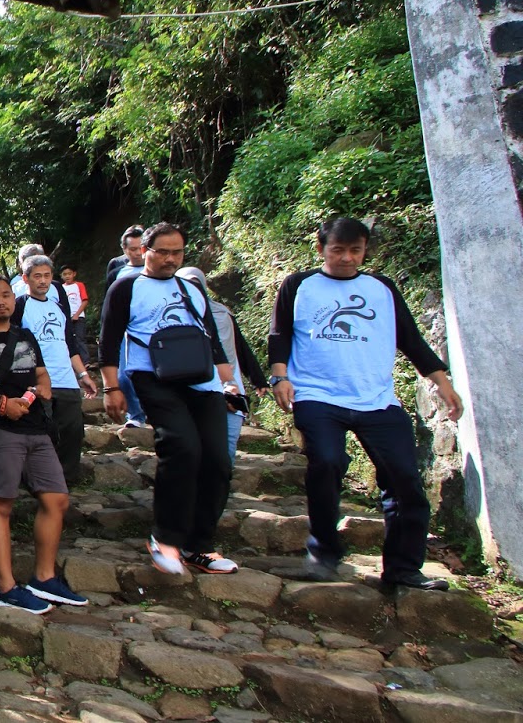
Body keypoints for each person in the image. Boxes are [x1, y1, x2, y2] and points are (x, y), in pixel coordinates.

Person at [268, 217, 464, 591]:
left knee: (404, 479)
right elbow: (280, 334)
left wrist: (442, 382)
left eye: (354, 250)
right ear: (321, 248)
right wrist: (281, 377)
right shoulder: (299, 285)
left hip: (376, 398)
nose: (345, 258)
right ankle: (324, 551)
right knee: (326, 462)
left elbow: (410, 337)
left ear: (364, 250)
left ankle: (403, 569)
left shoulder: (381, 288)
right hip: (316, 393)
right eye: (337, 250)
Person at [100, 223, 241, 576]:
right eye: (162, 251)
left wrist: (229, 385)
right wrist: (112, 387)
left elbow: (212, 340)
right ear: (144, 250)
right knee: (182, 447)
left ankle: (199, 546)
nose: (170, 258)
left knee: (217, 460)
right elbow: (109, 338)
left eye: (177, 252)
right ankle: (165, 539)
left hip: (203, 380)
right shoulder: (127, 287)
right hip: (154, 376)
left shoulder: (191, 287)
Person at [0, 273, 88, 614]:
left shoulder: (25, 335)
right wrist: (0, 404)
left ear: (14, 299)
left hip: (35, 428)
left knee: (56, 498)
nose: (2, 301)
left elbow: (40, 372)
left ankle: (44, 578)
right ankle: (6, 587)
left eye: (6, 296)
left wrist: (43, 387)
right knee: (2, 503)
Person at [15, 256, 99, 483]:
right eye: (37, 276)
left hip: (67, 380)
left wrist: (83, 375)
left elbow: (69, 346)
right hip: (38, 381)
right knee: (42, 433)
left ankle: (65, 484)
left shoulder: (59, 308)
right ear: (26, 279)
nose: (43, 281)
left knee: (72, 433)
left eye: (47, 276)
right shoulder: (20, 306)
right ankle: (38, 483)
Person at [177, 266, 268, 461]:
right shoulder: (173, 316)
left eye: (197, 284)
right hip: (189, 390)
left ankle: (219, 486)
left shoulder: (222, 314)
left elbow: (240, 348)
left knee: (227, 448)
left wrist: (258, 380)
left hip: (230, 388)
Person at [104, 226, 149, 427]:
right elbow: (109, 304)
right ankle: (136, 415)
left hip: (152, 329)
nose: (138, 253)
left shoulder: (156, 270)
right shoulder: (117, 273)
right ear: (124, 249)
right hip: (124, 330)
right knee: (123, 376)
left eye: (141, 247)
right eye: (132, 249)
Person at [60, 264, 92, 364]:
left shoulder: (79, 285)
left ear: (74, 274)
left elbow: (85, 300)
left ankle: (86, 362)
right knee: (67, 339)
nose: (67, 276)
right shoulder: (60, 288)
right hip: (65, 318)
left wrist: (77, 314)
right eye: (64, 274)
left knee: (80, 339)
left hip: (79, 316)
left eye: (69, 273)